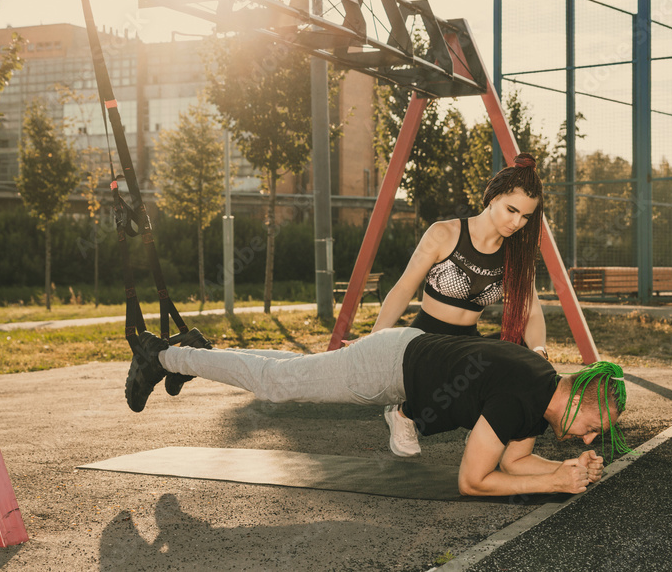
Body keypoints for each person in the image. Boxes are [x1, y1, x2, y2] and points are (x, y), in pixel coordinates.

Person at [125, 327, 634, 497]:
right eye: (592, 430)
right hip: (387, 367)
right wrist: (554, 482)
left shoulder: (539, 397)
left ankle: (194, 353)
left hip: (398, 366)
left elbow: (513, 465)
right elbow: (474, 480)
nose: (589, 440)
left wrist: (566, 471)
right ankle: (162, 355)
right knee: (279, 387)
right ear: (575, 401)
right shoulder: (516, 397)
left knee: (294, 373)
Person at [370, 153, 548, 456]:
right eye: (511, 210)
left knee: (516, 364)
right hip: (426, 338)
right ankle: (401, 413)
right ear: (492, 198)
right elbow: (402, 289)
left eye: (525, 217)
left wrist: (539, 350)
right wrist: (374, 340)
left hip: (468, 340)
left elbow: (530, 309)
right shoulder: (444, 233)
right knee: (447, 397)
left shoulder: (515, 255)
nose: (517, 222)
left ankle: (484, 434)